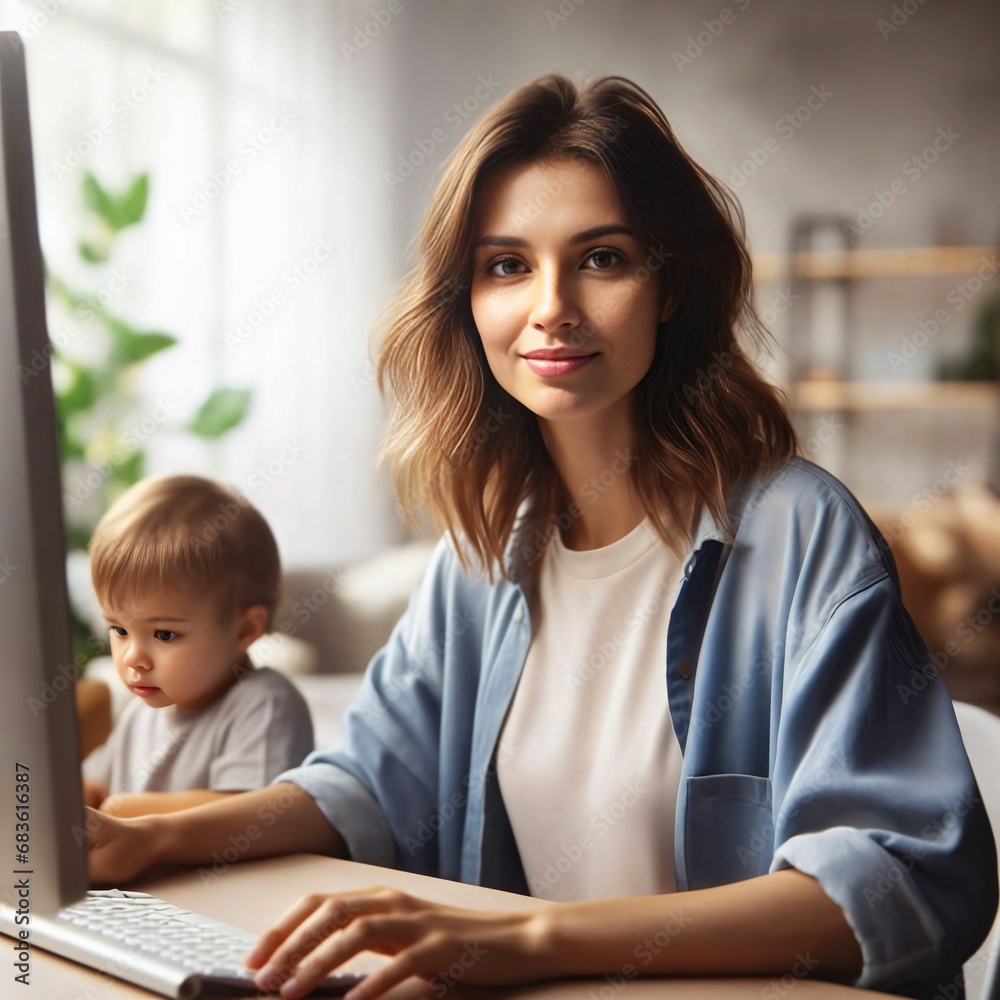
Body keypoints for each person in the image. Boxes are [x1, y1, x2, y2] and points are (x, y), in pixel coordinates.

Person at [86, 74, 997, 1000]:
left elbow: (907, 881)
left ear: (669, 284)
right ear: (467, 299)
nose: (550, 307)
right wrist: (146, 836)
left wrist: (527, 939)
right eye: (507, 265)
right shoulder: (483, 553)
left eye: (601, 259)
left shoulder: (803, 534)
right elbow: (367, 781)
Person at [82, 474, 314, 817]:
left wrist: (126, 812)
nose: (133, 657)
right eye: (118, 630)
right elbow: (99, 787)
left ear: (245, 629)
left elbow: (249, 813)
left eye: (164, 634)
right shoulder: (139, 711)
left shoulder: (264, 705)